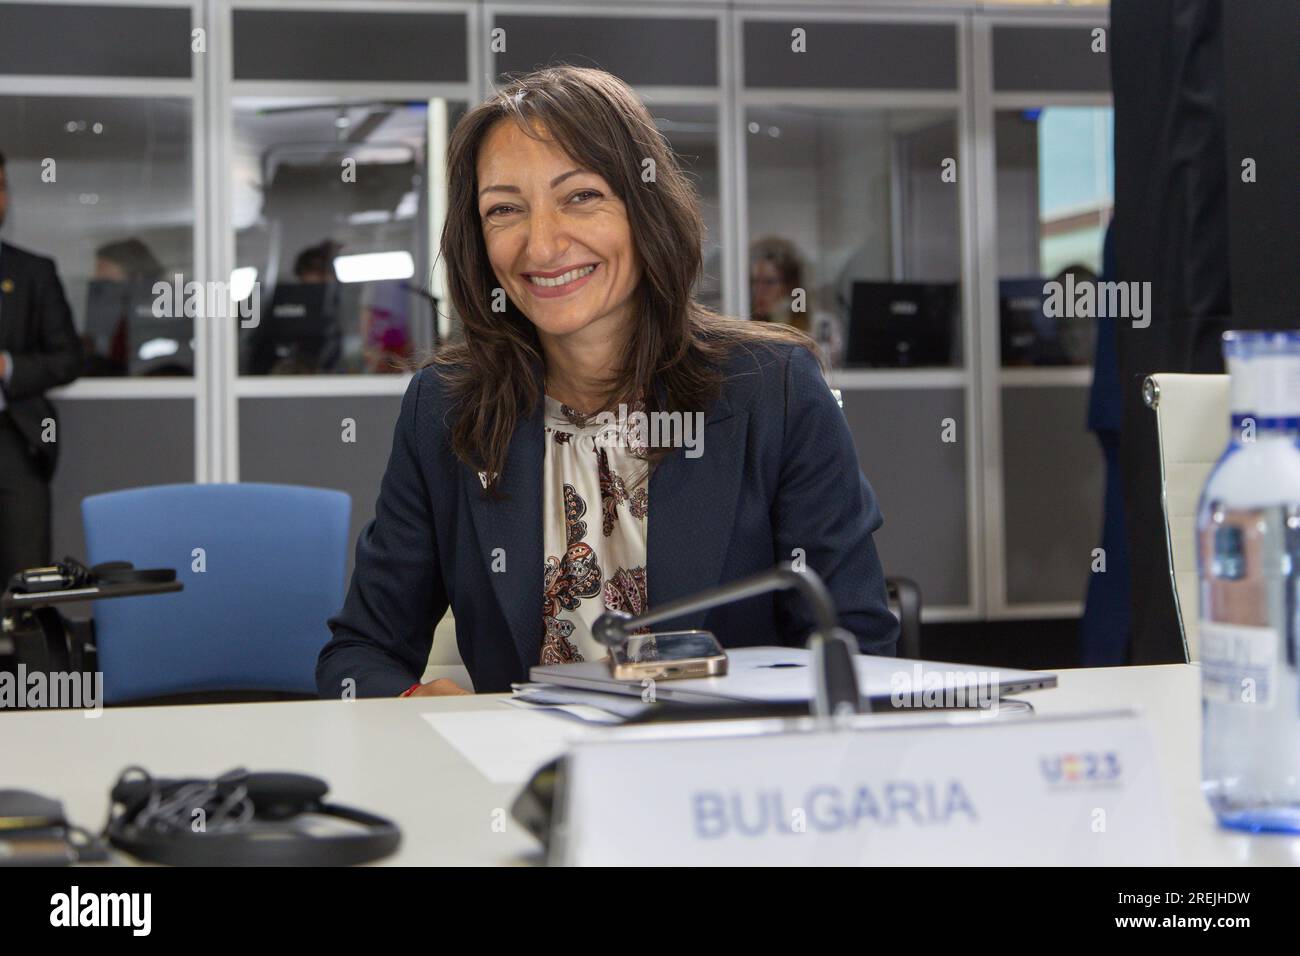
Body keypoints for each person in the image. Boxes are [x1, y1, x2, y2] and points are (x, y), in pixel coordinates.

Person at [317, 67, 898, 698]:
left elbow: (857, 652)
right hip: (526, 785)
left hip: (719, 777)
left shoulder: (774, 390)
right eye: (504, 209)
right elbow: (360, 651)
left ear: (644, 210)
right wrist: (410, 701)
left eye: (580, 196)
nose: (542, 245)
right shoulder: (445, 407)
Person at [0, 150, 83, 587]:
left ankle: (26, 661)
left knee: (28, 586)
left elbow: (67, 356)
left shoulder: (31, 271)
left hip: (14, 442)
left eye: (0, 187)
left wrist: (8, 365)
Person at [749, 236, 844, 368]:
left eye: (769, 282)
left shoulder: (821, 325)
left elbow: (825, 369)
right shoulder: (748, 328)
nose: (758, 291)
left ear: (790, 285)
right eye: (754, 282)